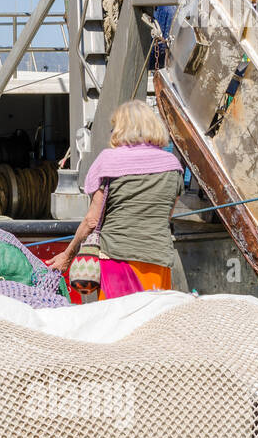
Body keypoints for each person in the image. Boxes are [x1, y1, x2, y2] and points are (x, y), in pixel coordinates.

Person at [45, 99, 185, 299]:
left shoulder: (110, 161)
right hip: (158, 259)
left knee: (118, 324)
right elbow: (167, 215)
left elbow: (92, 220)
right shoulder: (173, 166)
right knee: (152, 322)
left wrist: (68, 255)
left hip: (116, 259)